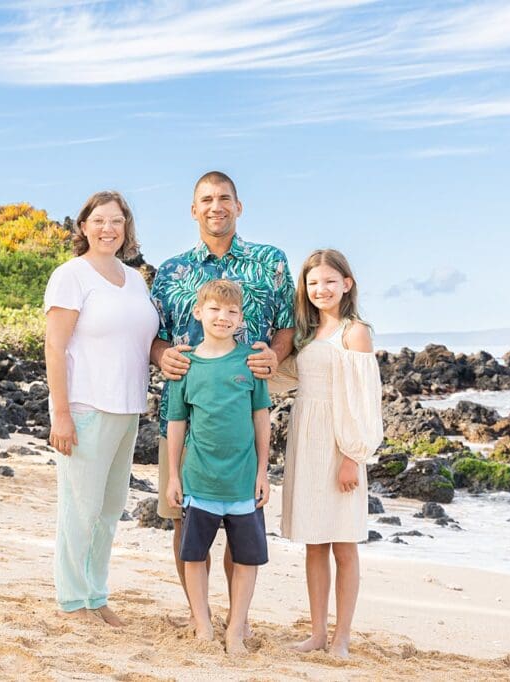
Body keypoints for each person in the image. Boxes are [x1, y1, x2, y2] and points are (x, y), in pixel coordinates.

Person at [150, 171, 295, 627]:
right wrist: (161, 356)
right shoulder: (171, 270)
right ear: (194, 210)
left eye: (224, 198)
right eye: (206, 200)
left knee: (239, 522)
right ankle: (199, 615)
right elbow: (152, 336)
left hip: (241, 416)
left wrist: (276, 354)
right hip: (183, 414)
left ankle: (238, 617)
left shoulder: (269, 261)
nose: (216, 206)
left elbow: (288, 326)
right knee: (183, 519)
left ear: (239, 206)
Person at [44, 190, 160, 627]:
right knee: (80, 508)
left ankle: (96, 594)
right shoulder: (71, 275)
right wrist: (61, 413)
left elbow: (141, 342)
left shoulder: (135, 280)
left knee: (110, 510)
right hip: (86, 405)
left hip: (128, 408)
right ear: (84, 226)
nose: (108, 228)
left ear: (126, 228)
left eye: (117, 221)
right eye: (99, 220)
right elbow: (55, 347)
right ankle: (73, 599)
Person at [279, 248, 383, 659]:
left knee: (344, 544)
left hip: (340, 445)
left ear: (347, 284)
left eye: (328, 281)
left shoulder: (354, 332)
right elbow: (286, 378)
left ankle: (342, 637)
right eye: (312, 282)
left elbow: (363, 401)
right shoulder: (306, 335)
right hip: (307, 443)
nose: (320, 289)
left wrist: (352, 456)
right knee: (314, 543)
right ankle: (317, 632)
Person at [164, 279, 271, 654]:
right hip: (199, 480)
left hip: (243, 482)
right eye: (214, 309)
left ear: (241, 317)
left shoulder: (250, 362)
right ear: (198, 312)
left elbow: (262, 418)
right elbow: (176, 423)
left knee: (246, 558)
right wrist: (173, 475)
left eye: (231, 312)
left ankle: (236, 628)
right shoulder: (185, 365)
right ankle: (203, 623)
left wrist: (263, 472)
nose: (222, 317)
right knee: (193, 554)